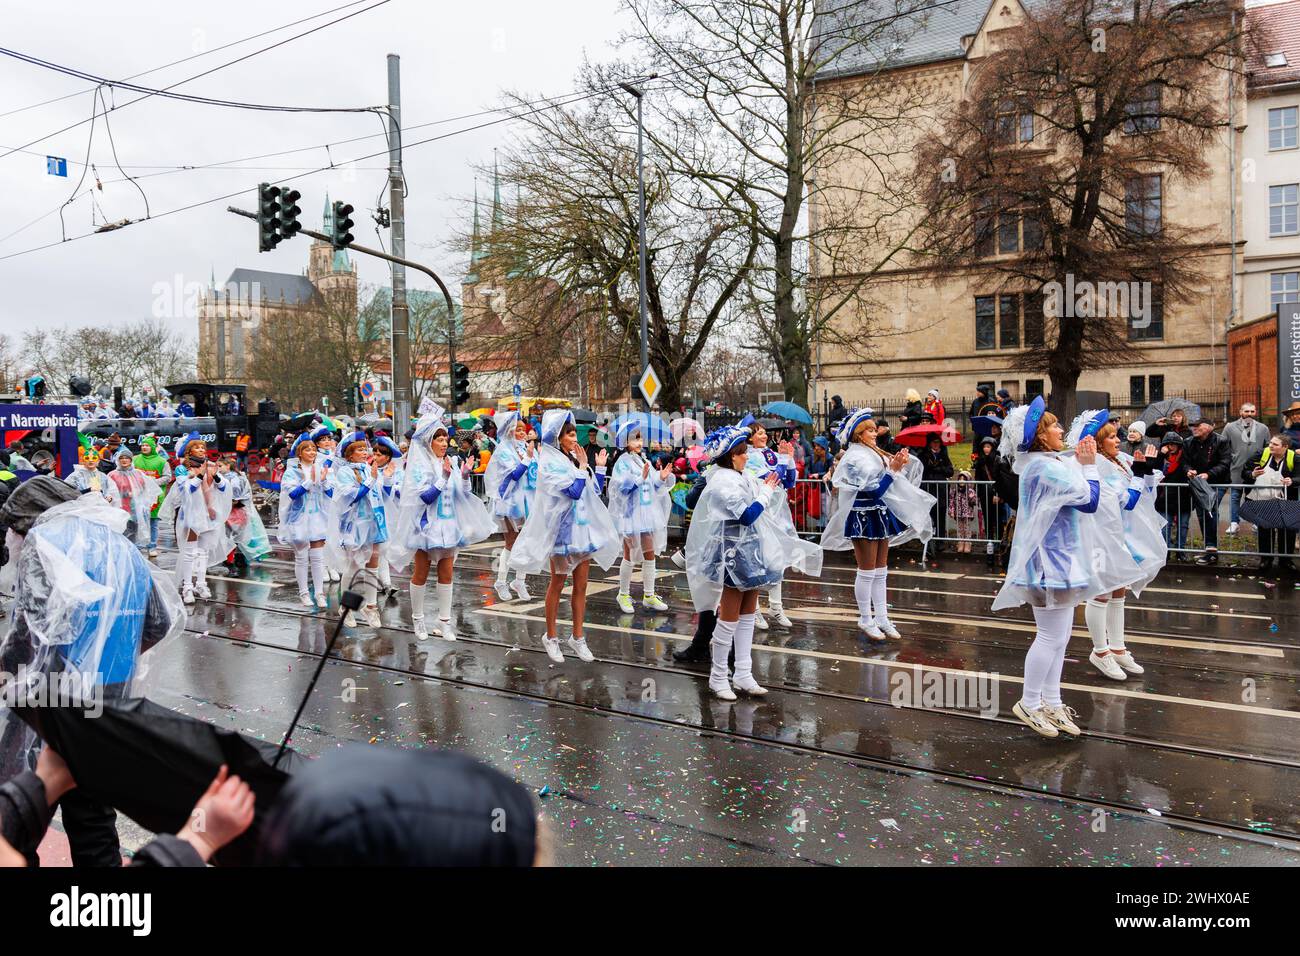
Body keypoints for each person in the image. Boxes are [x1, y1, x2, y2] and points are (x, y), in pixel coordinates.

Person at [0, 477, 185, 865]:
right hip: (107, 700)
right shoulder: (121, 545)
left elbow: (31, 631)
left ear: (30, 520)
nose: (13, 539)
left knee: (24, 807)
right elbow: (159, 623)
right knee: (94, 814)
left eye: (15, 528)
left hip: (48, 699)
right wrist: (109, 661)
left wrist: (7, 674)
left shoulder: (46, 541)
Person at [994, 397, 1106, 739]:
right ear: (1041, 436)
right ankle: (1029, 701)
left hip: (1061, 559)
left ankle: (1052, 702)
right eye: (1054, 425)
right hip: (1049, 562)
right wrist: (1089, 466)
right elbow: (1089, 501)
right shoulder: (1044, 467)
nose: (1060, 429)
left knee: (1061, 637)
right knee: (1050, 636)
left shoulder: (1045, 463)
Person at [686, 425, 822, 698]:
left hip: (749, 551)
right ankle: (718, 676)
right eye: (742, 453)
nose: (747, 457)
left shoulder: (740, 474)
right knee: (729, 616)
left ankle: (744, 674)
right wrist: (765, 493)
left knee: (748, 613)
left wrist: (783, 464)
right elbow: (746, 515)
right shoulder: (722, 480)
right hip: (731, 554)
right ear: (730, 456)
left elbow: (776, 486)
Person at [508, 410, 619, 663]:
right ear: (559, 437)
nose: (574, 438)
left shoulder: (572, 459)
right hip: (562, 534)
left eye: (573, 434)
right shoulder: (550, 462)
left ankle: (578, 638)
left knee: (581, 587)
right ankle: (551, 636)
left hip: (582, 531)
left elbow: (592, 491)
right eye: (569, 434)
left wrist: (599, 469)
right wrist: (582, 468)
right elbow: (573, 492)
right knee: (557, 585)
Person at [820, 410, 933, 641]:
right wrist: (892, 470)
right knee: (867, 570)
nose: (875, 433)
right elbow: (874, 490)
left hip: (879, 513)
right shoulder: (855, 457)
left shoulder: (873, 453)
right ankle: (865, 618)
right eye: (870, 430)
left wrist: (897, 466)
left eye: (874, 429)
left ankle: (881, 617)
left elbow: (886, 485)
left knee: (881, 571)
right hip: (863, 515)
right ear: (859, 435)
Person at [387, 406, 494, 642]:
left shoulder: (451, 462)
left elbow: (461, 494)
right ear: (428, 440)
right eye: (438, 438)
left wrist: (464, 476)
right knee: (421, 574)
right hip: (426, 527)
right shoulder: (418, 466)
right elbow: (423, 497)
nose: (444, 442)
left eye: (445, 437)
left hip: (448, 527)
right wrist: (443, 479)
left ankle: (445, 622)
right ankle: (418, 619)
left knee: (447, 573)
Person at [1068, 412, 1159, 681]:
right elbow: (1125, 500)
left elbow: (1144, 495)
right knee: (1101, 592)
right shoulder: (1095, 464)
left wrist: (1146, 469)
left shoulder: (1117, 461)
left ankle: (1117, 647)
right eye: (1109, 436)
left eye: (1116, 435)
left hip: (1117, 535)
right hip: (1099, 537)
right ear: (1096, 441)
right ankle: (1100, 651)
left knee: (1119, 590)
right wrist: (1140, 476)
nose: (1117, 440)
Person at [326, 432, 392, 629]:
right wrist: (371, 480)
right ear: (350, 454)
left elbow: (383, 495)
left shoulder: (370, 469)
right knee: (353, 568)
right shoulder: (344, 472)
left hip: (373, 523)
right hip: (354, 526)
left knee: (373, 564)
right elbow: (350, 497)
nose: (365, 452)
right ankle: (346, 609)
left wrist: (386, 479)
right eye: (360, 449)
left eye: (365, 448)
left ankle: (371, 606)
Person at [610, 421, 675, 614]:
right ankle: (623, 594)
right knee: (629, 554)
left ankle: (649, 595)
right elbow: (621, 488)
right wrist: (640, 478)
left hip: (647, 514)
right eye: (634, 438)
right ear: (625, 441)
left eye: (640, 438)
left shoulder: (642, 459)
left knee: (650, 552)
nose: (639, 442)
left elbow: (652, 485)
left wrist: (661, 477)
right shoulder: (622, 462)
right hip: (631, 515)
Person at [159, 434, 233, 605]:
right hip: (191, 517)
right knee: (189, 552)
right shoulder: (182, 468)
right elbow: (187, 489)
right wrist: (199, 476)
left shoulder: (210, 466)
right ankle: (187, 586)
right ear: (189, 450)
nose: (201, 450)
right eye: (197, 447)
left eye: (203, 448)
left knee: (203, 552)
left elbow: (223, 487)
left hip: (209, 516)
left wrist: (214, 476)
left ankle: (201, 583)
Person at [740, 417, 799, 629]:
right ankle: (754, 610)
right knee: (757, 562)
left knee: (777, 561)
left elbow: (789, 481)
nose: (764, 436)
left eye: (764, 432)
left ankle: (776, 607)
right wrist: (783, 461)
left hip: (778, 514)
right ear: (749, 438)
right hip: (761, 513)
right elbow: (771, 478)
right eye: (759, 433)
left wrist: (789, 460)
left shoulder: (772, 454)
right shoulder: (749, 459)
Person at [484, 410, 538, 601]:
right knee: (511, 542)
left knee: (526, 541)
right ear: (508, 431)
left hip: (527, 502)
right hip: (508, 502)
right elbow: (514, 474)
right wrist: (529, 458)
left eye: (524, 429)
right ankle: (501, 581)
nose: (522, 433)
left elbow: (535, 475)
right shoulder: (503, 450)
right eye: (518, 430)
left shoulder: (526, 448)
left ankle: (519, 581)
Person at [278, 434, 333, 609]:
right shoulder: (292, 471)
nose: (312, 452)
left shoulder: (322, 469)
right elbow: (293, 494)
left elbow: (331, 494)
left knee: (318, 558)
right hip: (298, 519)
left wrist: (323, 481)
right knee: (301, 557)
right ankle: (303, 593)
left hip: (317, 518)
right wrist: (310, 480)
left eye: (314, 449)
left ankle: (319, 594)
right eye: (307, 449)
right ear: (299, 453)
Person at [1243, 435, 1297, 572]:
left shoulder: (1294, 458)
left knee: (1287, 530)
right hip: (1264, 499)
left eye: (1275, 444)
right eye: (1270, 443)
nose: (1271, 446)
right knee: (1265, 529)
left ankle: (1286, 560)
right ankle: (1266, 559)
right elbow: (1245, 471)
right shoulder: (1262, 453)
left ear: (1285, 447)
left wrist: (1293, 481)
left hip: (1287, 500)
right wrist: (1252, 474)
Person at [1183, 418, 1230, 566]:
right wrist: (1188, 471)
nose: (1194, 428)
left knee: (1210, 512)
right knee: (1202, 515)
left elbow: (1225, 462)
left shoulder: (1221, 441)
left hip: (1217, 483)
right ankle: (1209, 549)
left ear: (1210, 427)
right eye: (1193, 426)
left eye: (1198, 426)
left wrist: (1209, 474)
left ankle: (1211, 552)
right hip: (1198, 483)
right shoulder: (1188, 442)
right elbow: (1185, 462)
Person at [1139, 432, 1193, 553]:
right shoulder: (1161, 457)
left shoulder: (1185, 456)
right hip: (1164, 498)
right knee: (1165, 526)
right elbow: (1152, 469)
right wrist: (1161, 454)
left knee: (1183, 526)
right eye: (1168, 444)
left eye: (1174, 444)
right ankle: (1165, 551)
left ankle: (1181, 551)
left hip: (1183, 496)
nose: (1171, 447)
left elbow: (1187, 467)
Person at [1221, 403, 1270, 536]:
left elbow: (1268, 448)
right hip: (1236, 468)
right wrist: (1231, 458)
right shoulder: (1230, 427)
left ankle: (1255, 522)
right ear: (1240, 412)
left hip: (1256, 469)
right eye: (1246, 411)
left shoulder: (1263, 428)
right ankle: (1234, 522)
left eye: (1252, 411)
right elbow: (1223, 447)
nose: (1249, 413)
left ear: (1255, 412)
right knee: (1235, 496)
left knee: (1254, 497)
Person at [106, 447, 160, 549]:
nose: (124, 460)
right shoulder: (112, 475)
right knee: (120, 536)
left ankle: (133, 557)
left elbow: (148, 489)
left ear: (131, 460)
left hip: (135, 511)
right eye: (121, 458)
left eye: (127, 458)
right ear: (118, 460)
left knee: (133, 537)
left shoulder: (138, 474)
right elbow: (107, 491)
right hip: (119, 511)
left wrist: (146, 504)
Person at [221, 458, 271, 567]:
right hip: (242, 510)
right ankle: (239, 559)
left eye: (220, 466)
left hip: (235, 511)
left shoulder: (233, 479)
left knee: (233, 536)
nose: (218, 469)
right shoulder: (239, 476)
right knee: (240, 536)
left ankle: (234, 559)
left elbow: (235, 497)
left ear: (228, 466)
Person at [371, 437, 403, 598]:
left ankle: (384, 583)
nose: (376, 456)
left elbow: (401, 489)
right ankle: (383, 583)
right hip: (372, 514)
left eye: (380, 454)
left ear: (388, 457)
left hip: (389, 514)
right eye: (375, 453)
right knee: (377, 550)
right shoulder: (368, 469)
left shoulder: (396, 471)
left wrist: (392, 484)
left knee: (383, 549)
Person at [133, 436, 172, 558]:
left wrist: (152, 482)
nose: (144, 447)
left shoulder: (161, 461)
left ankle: (152, 546)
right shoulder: (135, 460)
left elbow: (167, 477)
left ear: (153, 447)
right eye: (143, 445)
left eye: (147, 445)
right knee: (138, 521)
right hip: (138, 496)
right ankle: (138, 546)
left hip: (155, 497)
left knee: (153, 522)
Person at [917, 432, 955, 551]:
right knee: (928, 516)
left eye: (938, 442)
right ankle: (927, 542)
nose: (936, 445)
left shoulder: (943, 455)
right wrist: (931, 467)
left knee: (940, 516)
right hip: (928, 490)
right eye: (934, 442)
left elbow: (950, 471)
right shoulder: (923, 455)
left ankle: (940, 540)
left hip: (941, 490)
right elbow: (921, 470)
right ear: (929, 443)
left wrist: (938, 468)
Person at [949, 470, 980, 553]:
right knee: (960, 528)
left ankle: (967, 542)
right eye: (960, 479)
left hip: (967, 513)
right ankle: (960, 542)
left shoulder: (970, 491)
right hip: (958, 513)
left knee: (967, 528)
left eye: (964, 479)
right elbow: (951, 501)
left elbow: (975, 501)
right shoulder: (955, 491)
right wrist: (951, 511)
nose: (961, 481)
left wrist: (972, 497)